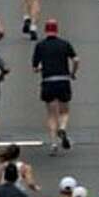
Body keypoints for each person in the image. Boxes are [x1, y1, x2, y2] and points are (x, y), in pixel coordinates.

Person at [30, 20, 77, 153]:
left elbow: (35, 67)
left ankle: (53, 143)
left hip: (48, 81)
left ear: (46, 31)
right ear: (57, 30)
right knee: (64, 111)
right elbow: (76, 59)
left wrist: (41, 68)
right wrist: (72, 73)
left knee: (51, 114)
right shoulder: (64, 44)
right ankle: (62, 128)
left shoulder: (40, 46)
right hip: (63, 80)